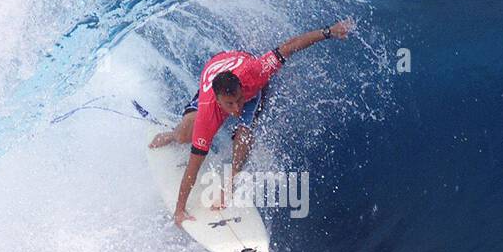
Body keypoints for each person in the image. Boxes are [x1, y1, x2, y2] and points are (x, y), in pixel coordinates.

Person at [149, 19, 354, 227]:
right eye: (230, 104)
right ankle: (171, 135)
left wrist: (329, 32)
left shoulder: (255, 72)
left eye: (238, 100)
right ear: (218, 100)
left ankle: (231, 182)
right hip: (215, 69)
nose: (237, 109)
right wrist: (179, 210)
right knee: (185, 136)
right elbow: (193, 167)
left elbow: (291, 46)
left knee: (244, 132)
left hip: (242, 70)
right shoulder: (208, 111)